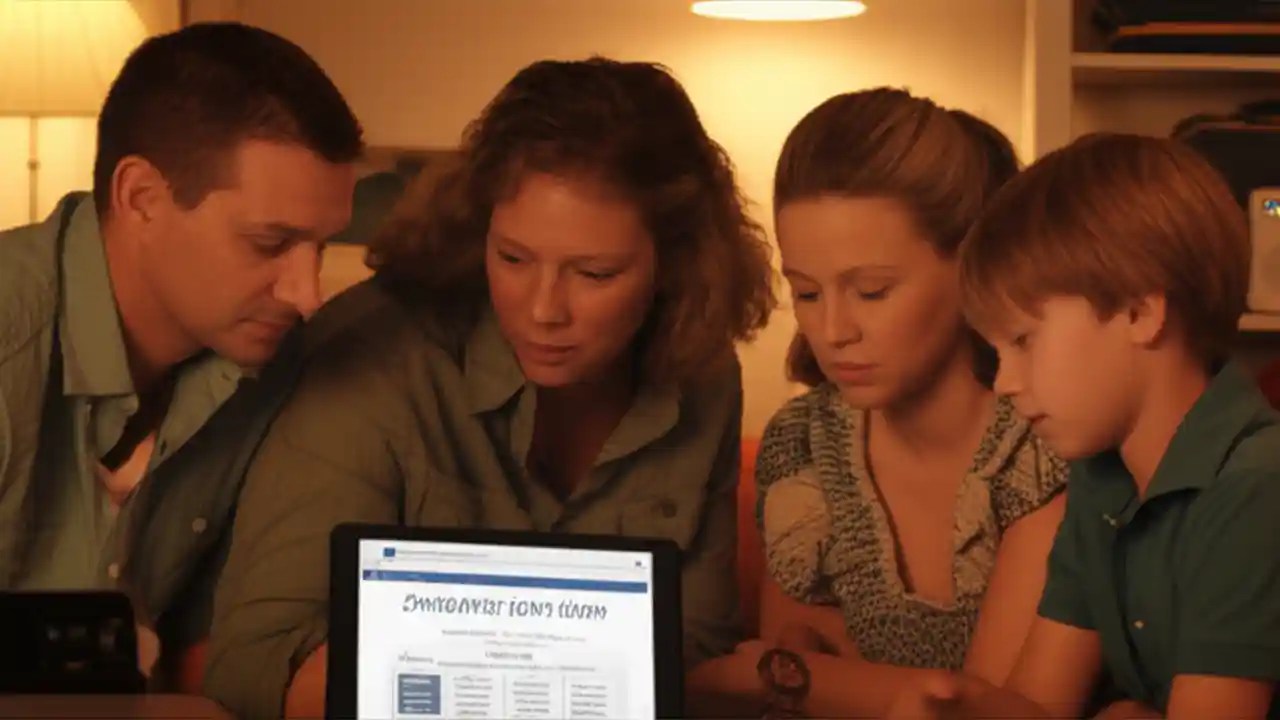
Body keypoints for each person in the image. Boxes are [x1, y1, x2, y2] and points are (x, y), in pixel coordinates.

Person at [202, 56, 777, 719]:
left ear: (673, 264)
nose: (542, 310)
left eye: (593, 273)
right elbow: (253, 664)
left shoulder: (700, 368)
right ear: (479, 230)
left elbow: (695, 647)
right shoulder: (375, 358)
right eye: (512, 258)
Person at [685, 88, 1068, 718]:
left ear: (972, 266)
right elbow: (792, 681)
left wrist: (797, 674)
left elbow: (977, 711)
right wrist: (800, 674)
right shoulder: (804, 444)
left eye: (871, 290)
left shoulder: (1043, 442)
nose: (833, 330)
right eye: (806, 293)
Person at [0, 21, 362, 682]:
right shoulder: (9, 342)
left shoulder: (273, 363)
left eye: (322, 245)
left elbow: (207, 647)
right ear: (141, 198)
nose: (307, 294)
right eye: (268, 243)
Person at [886, 133, 1280, 719]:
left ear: (1139, 312)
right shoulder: (1102, 478)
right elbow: (1040, 702)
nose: (1003, 382)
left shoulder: (1254, 487)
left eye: (1023, 340)